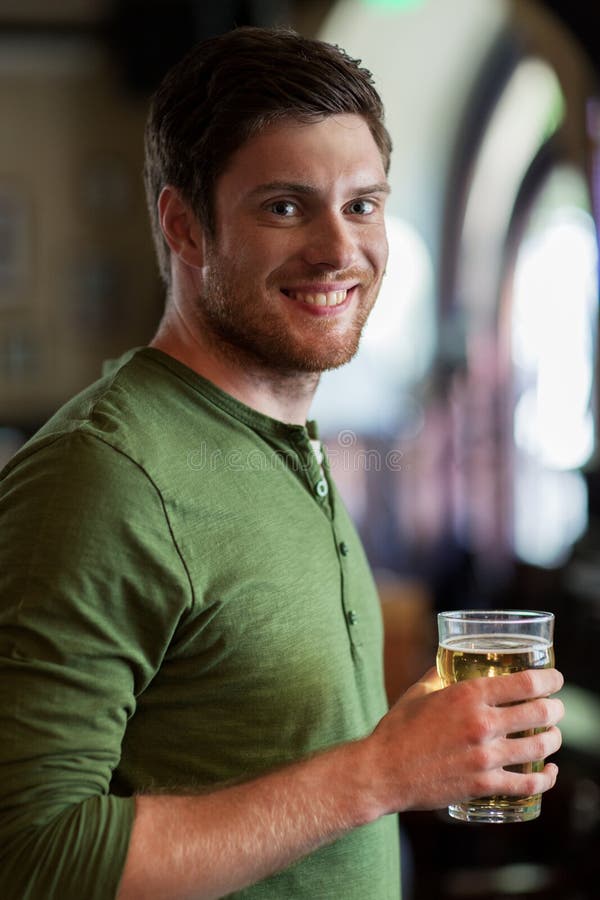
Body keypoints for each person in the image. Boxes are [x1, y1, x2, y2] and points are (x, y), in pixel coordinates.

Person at [0, 26, 564, 900]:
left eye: (363, 205)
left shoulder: (290, 443)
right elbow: (32, 858)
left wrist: (417, 744)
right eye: (285, 207)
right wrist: (380, 772)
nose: (341, 251)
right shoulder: (101, 475)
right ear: (184, 225)